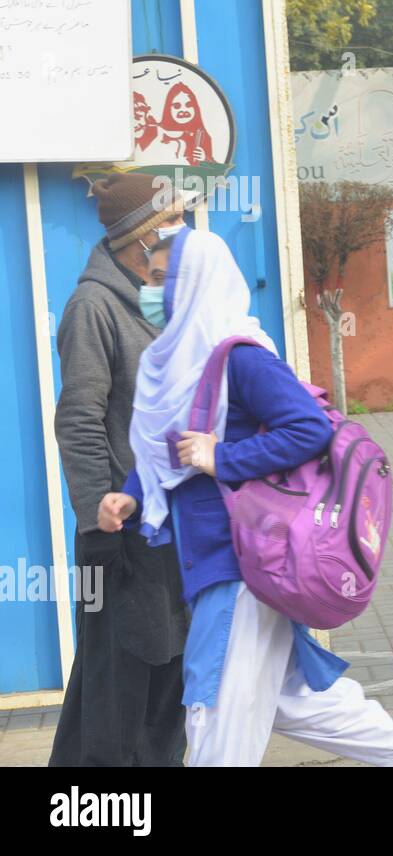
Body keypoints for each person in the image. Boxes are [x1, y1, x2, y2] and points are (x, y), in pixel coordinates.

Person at [96, 228, 393, 766]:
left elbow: (307, 428)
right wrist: (133, 495)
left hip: (241, 560)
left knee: (214, 707)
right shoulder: (178, 360)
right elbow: (169, 446)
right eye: (150, 280)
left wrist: (222, 458)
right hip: (220, 559)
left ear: (195, 284)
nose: (151, 292)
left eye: (164, 280)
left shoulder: (240, 357)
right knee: (283, 697)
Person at [49, 172, 191, 767]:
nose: (185, 232)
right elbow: (78, 421)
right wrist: (96, 524)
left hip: (169, 527)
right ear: (144, 238)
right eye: (176, 222)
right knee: (120, 685)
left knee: (162, 679)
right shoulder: (94, 308)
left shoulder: (161, 300)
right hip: (121, 534)